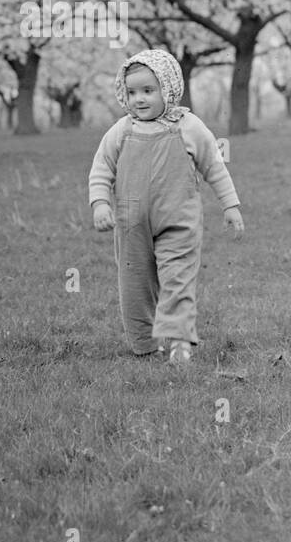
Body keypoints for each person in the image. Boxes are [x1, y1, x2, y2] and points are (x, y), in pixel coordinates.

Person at [88, 48, 244, 364]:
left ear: (169, 88)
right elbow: (101, 167)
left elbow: (214, 166)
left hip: (179, 221)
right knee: (134, 283)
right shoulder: (122, 130)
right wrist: (100, 203)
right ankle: (145, 344)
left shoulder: (190, 126)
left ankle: (179, 342)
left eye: (149, 90)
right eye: (132, 92)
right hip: (132, 223)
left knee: (177, 280)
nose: (139, 99)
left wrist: (230, 205)